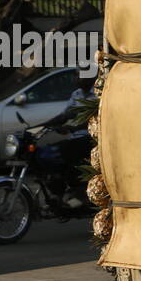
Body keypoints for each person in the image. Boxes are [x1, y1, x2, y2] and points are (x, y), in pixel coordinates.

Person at [44, 77, 97, 208]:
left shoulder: (98, 93)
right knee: (50, 154)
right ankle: (58, 193)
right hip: (75, 137)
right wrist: (44, 125)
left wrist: (72, 128)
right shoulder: (76, 94)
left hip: (92, 138)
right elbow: (65, 115)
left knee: (67, 152)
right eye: (78, 74)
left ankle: (80, 195)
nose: (79, 78)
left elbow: (94, 120)